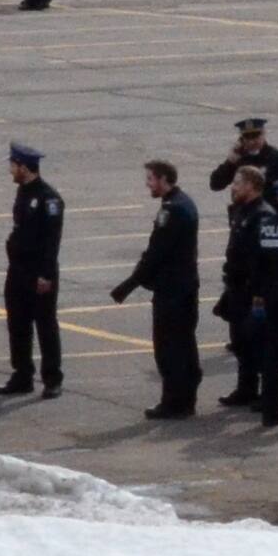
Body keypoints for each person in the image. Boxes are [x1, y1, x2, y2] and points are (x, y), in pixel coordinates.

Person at [111, 159, 202, 419]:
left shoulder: (172, 210)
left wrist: (129, 284)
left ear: (163, 179)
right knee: (184, 343)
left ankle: (174, 401)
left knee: (169, 346)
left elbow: (156, 253)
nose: (147, 184)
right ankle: (184, 399)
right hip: (184, 286)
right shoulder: (183, 202)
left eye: (151, 179)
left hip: (172, 290)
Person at [0, 143, 65, 397]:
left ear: (24, 168)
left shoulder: (49, 199)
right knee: (17, 324)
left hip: (39, 271)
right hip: (18, 270)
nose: (10, 170)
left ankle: (52, 378)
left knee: (45, 325)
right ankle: (22, 375)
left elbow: (51, 240)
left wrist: (46, 274)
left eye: (13, 166)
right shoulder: (24, 192)